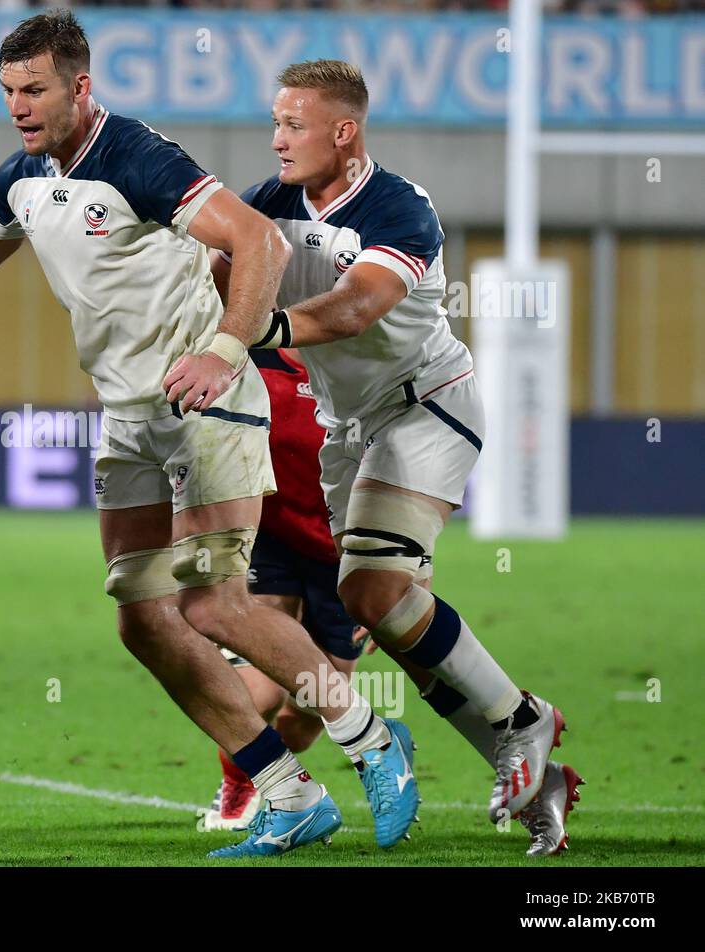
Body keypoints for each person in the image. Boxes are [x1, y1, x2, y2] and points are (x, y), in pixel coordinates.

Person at [0, 9, 421, 859]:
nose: (19, 106)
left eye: (34, 89)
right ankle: (286, 792)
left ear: (80, 86)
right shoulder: (21, 178)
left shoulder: (139, 160)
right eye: (7, 91)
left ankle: (372, 738)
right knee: (144, 617)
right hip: (129, 417)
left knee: (212, 601)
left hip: (208, 399)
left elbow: (256, 238)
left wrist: (227, 350)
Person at [215, 59, 582, 854]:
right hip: (348, 429)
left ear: (343, 132)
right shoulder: (269, 204)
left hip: (426, 407)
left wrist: (257, 331)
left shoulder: (399, 208)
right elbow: (218, 279)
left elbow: (354, 307)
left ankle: (526, 720)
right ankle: (534, 772)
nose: (276, 139)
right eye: (275, 122)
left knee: (374, 589)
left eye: (293, 124)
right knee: (405, 631)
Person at [197, 348, 363, 833]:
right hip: (269, 535)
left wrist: (393, 574)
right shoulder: (252, 354)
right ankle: (246, 783)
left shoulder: (362, 361)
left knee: (315, 704)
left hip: (344, 548)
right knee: (259, 689)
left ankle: (276, 769)